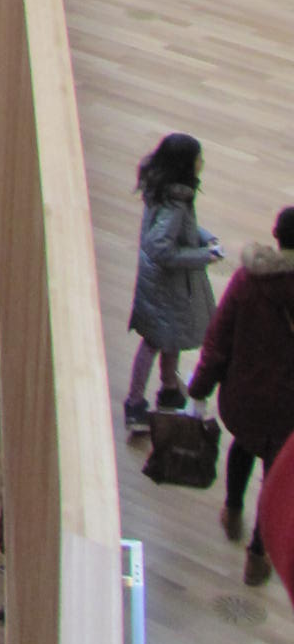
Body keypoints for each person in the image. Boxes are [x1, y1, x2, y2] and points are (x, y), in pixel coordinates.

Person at [190, 200, 294, 585]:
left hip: (245, 395)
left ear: (276, 235)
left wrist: (200, 387)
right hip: (289, 410)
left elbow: (218, 338)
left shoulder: (249, 280)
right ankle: (257, 554)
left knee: (243, 447)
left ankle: (232, 510)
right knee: (276, 478)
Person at [124, 132, 221, 426]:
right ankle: (135, 403)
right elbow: (161, 248)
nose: (202, 162)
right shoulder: (175, 203)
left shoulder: (166, 191)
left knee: (169, 338)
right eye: (198, 158)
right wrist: (205, 256)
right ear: (185, 165)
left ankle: (168, 390)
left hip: (161, 286)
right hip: (166, 288)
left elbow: (184, 230)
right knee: (155, 341)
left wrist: (206, 239)